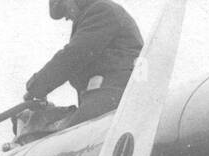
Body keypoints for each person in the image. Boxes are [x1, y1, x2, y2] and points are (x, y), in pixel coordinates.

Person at [24, 0, 143, 130]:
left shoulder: (102, 10)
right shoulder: (96, 14)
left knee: (70, 141)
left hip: (113, 94)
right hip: (109, 95)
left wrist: (37, 85)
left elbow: (74, 55)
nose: (66, 17)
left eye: (64, 9)